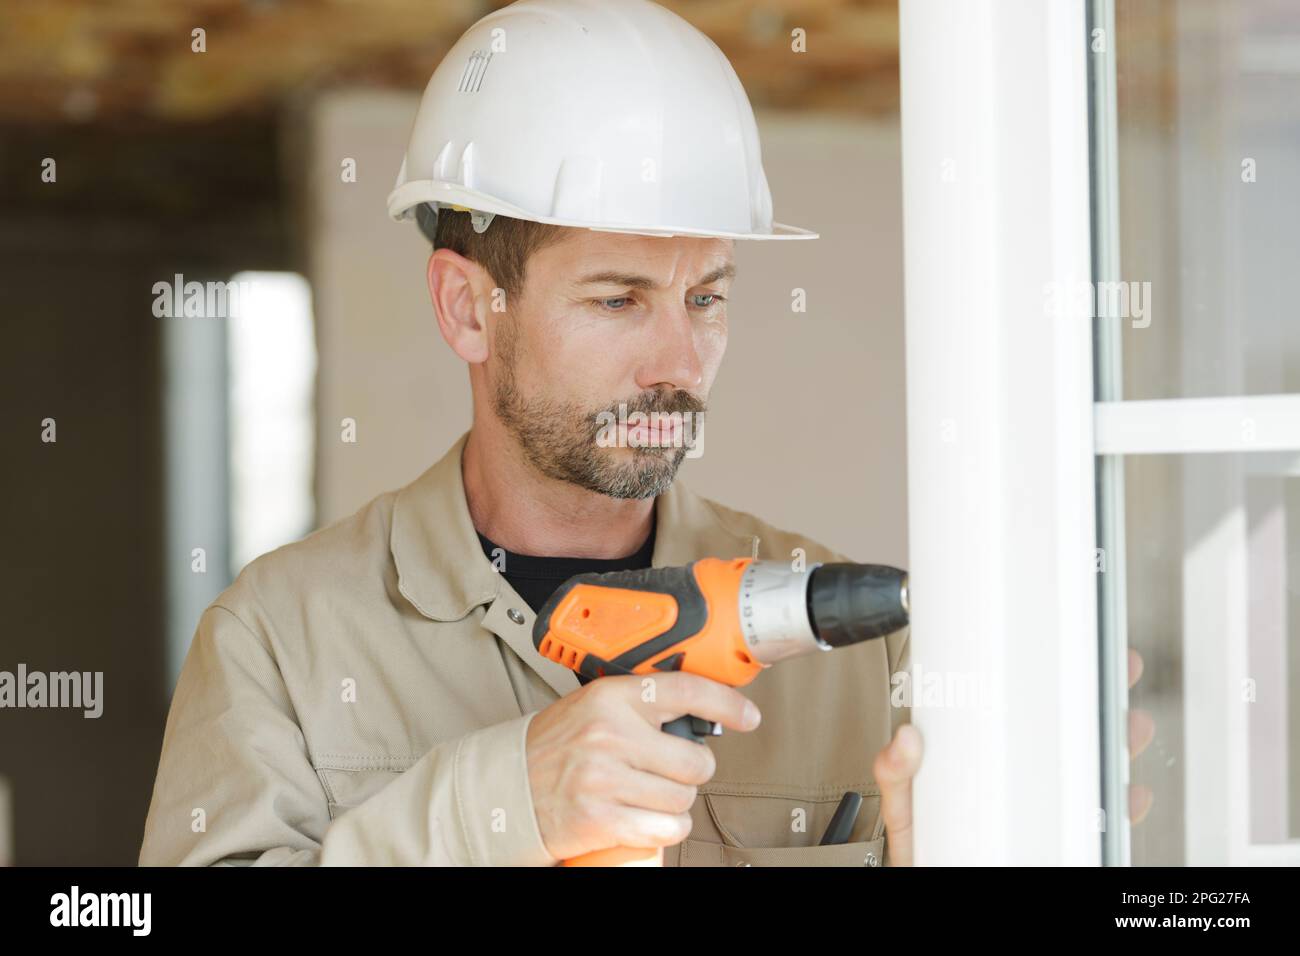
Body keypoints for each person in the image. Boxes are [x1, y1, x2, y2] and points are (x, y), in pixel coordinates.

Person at [139, 0, 922, 867]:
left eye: (705, 297)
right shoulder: (281, 645)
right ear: (468, 308)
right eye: (617, 300)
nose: (680, 363)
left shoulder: (859, 656)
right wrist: (505, 808)